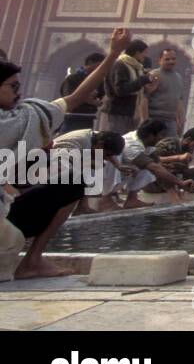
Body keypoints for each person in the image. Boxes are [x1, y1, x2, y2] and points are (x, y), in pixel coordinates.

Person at [1, 28, 129, 278]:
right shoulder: (19, 120)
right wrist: (113, 53)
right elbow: (77, 97)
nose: (19, 92)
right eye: (13, 86)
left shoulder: (21, 118)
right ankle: (33, 260)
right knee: (71, 183)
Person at [116, 119, 194, 207]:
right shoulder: (132, 146)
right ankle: (106, 200)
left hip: (122, 175)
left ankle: (132, 199)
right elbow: (155, 168)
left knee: (155, 168)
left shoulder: (144, 140)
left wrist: (178, 184)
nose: (162, 138)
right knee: (152, 168)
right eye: (161, 135)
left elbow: (158, 164)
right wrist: (180, 183)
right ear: (151, 135)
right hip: (109, 176)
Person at [99, 39, 153, 136]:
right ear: (137, 53)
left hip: (130, 112)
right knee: (108, 142)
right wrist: (142, 80)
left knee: (124, 144)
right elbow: (120, 90)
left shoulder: (136, 67)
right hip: (116, 112)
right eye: (144, 53)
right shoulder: (120, 65)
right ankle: (97, 152)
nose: (145, 56)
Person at [57, 52, 105, 134]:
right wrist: (89, 99)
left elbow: (101, 98)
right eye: (99, 65)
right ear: (90, 63)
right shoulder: (73, 78)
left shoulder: (99, 80)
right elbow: (69, 97)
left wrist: (90, 99)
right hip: (72, 117)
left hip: (88, 117)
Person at [145, 47, 185, 139]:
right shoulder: (154, 75)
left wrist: (181, 119)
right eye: (167, 59)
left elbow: (179, 100)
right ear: (160, 60)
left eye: (173, 59)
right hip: (154, 119)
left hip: (171, 121)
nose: (171, 61)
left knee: (170, 147)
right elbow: (144, 99)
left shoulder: (178, 78)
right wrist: (145, 121)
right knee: (152, 147)